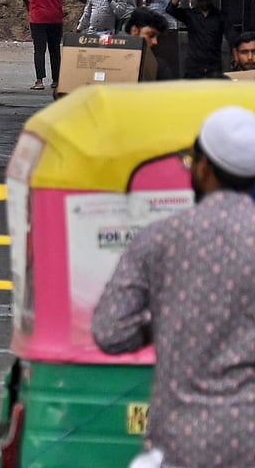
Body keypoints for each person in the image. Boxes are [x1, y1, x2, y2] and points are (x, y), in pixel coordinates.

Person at [92, 106, 255, 468]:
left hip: (182, 442)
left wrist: (162, 321)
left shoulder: (160, 238)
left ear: (202, 167)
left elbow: (110, 330)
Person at [20, 0, 87, 92]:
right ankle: (56, 80)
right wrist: (88, 1)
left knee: (39, 49)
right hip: (54, 17)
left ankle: (39, 81)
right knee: (54, 49)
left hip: (37, 18)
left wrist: (28, 7)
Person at [168, 0, 228, 78]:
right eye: (201, 0)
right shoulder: (189, 15)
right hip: (194, 67)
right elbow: (170, 8)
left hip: (214, 66)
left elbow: (231, 35)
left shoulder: (219, 16)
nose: (204, 2)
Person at [125, 7, 175, 80]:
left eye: (158, 37)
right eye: (151, 35)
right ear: (134, 31)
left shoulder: (159, 67)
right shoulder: (114, 60)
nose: (155, 42)